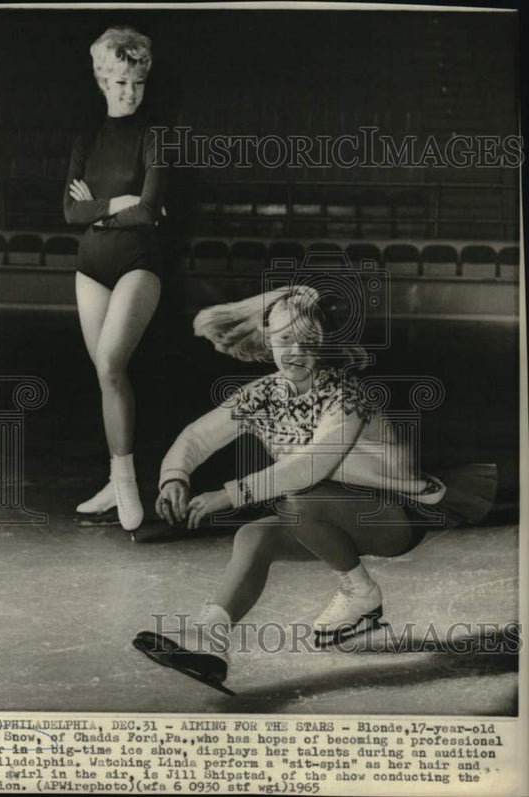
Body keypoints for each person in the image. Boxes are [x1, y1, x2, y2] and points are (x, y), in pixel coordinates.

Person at [134, 285, 498, 691]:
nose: (295, 350)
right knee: (254, 536)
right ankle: (208, 637)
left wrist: (228, 494)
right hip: (334, 511)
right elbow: (195, 438)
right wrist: (174, 477)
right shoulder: (262, 395)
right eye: (285, 338)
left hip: (396, 515)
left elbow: (308, 467)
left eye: (307, 341)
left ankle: (360, 592)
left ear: (322, 345)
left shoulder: (346, 395)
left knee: (296, 499)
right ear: (266, 338)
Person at [64, 26, 168, 531]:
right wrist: (113, 206)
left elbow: (149, 212)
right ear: (103, 81)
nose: (130, 92)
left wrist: (97, 211)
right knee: (108, 376)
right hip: (90, 269)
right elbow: (68, 212)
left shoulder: (155, 138)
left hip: (137, 264)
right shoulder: (85, 141)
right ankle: (114, 481)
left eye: (138, 83)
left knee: (110, 362)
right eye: (121, 82)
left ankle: (126, 486)